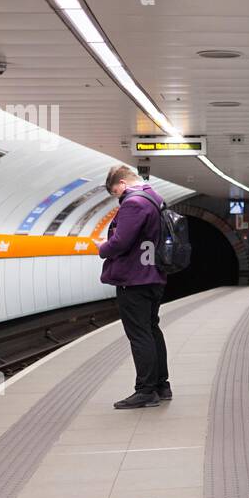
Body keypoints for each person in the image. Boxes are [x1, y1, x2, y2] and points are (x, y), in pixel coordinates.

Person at [94, 165, 170, 408]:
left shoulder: (134, 203)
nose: (119, 198)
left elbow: (121, 242)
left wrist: (102, 247)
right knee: (151, 329)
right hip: (154, 275)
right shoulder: (155, 198)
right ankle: (161, 385)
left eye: (117, 193)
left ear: (123, 183)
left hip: (135, 278)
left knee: (139, 334)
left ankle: (146, 390)